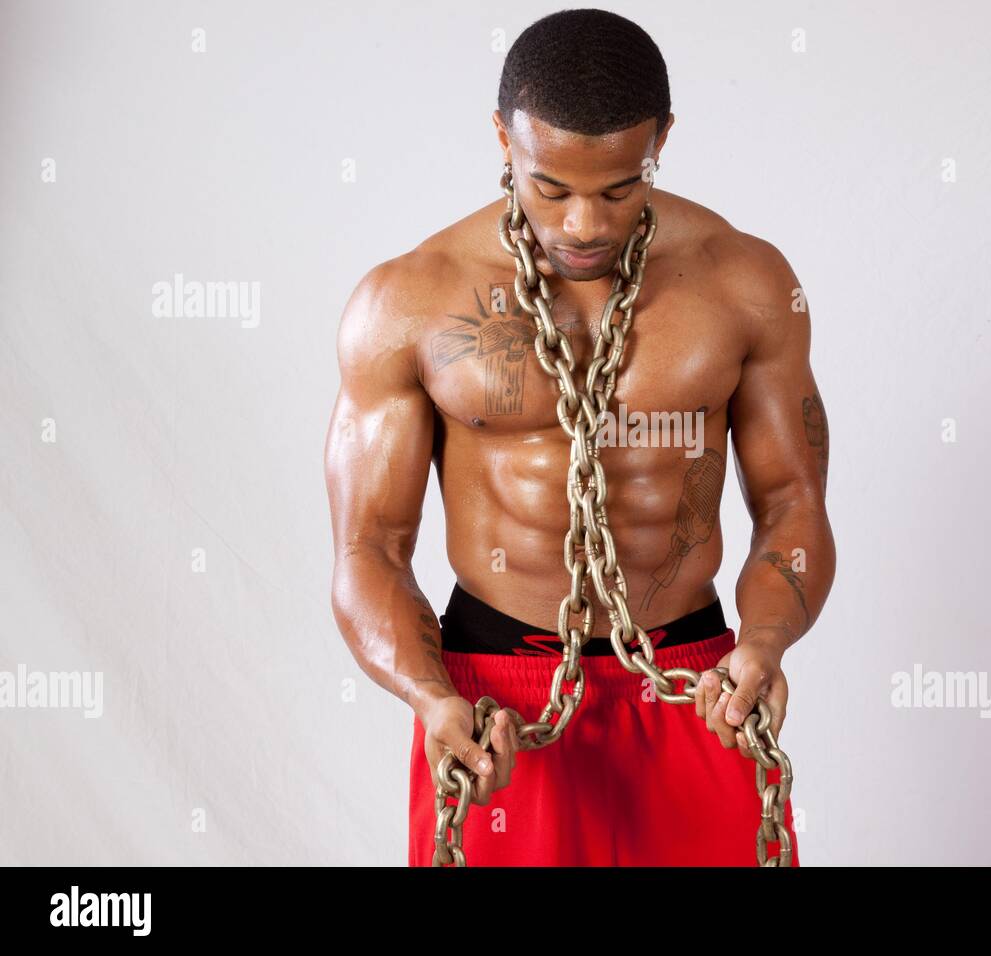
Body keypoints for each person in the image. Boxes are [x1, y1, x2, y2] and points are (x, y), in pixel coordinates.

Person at [324, 8, 835, 866]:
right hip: (493, 703)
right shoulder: (407, 302)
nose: (585, 227)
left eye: (619, 190)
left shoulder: (746, 283)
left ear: (661, 140)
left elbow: (792, 503)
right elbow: (368, 546)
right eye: (550, 189)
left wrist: (766, 644)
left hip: (697, 683)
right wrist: (430, 697)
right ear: (501, 138)